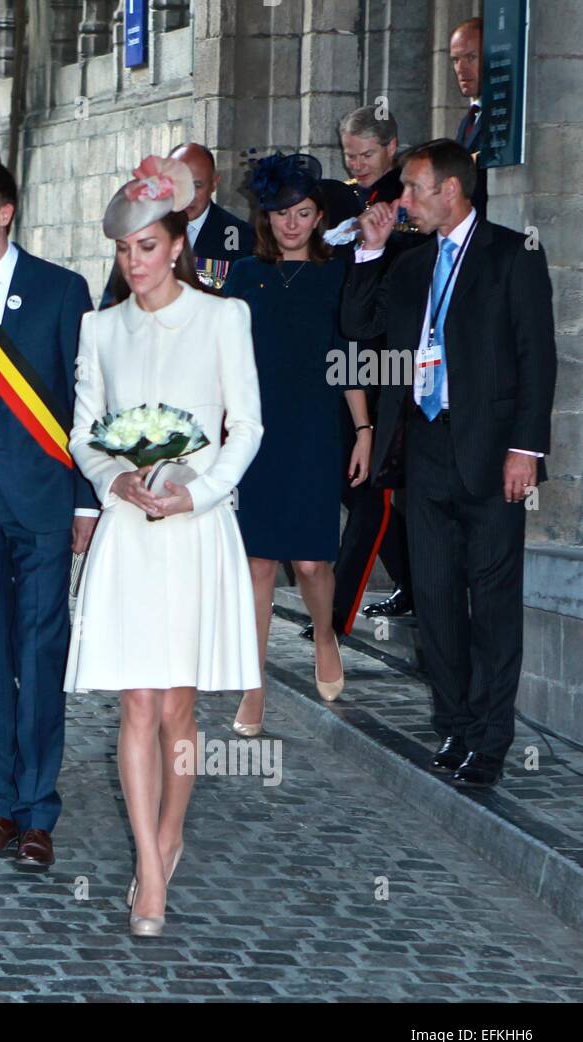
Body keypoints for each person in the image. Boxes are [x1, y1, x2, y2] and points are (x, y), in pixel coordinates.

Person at [65, 155, 263, 936]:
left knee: (179, 706)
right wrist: (116, 481)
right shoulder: (99, 327)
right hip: (128, 532)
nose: (134, 262)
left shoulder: (224, 319)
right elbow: (84, 433)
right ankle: (150, 865)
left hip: (194, 528)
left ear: (176, 245)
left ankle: (171, 830)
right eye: (123, 250)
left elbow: (245, 426)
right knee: (136, 701)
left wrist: (197, 490)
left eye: (147, 246)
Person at [343, 138, 556, 788]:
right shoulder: (409, 263)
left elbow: (536, 357)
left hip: (494, 458)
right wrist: (371, 251)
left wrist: (527, 449)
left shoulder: (511, 254)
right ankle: (458, 725)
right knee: (435, 603)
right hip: (425, 453)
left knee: (491, 604)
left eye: (411, 188)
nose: (400, 200)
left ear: (451, 191)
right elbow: (357, 326)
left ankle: (490, 743)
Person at [0, 154, 95, 868]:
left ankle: (38, 810)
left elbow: (87, 400)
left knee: (40, 653)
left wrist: (89, 499)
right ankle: (0, 804)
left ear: (4, 212)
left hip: (44, 502)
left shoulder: (63, 291)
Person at [223, 153, 374, 736]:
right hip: (255, 432)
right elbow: (223, 355)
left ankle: (326, 633)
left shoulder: (338, 275)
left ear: (318, 218)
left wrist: (363, 431)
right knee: (258, 563)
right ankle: (252, 687)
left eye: (304, 212)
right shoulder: (243, 275)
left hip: (314, 426)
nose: (292, 223)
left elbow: (348, 357)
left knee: (313, 560)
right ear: (266, 216)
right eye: (282, 212)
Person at [305, 105, 421, 636]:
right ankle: (413, 583)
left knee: (371, 488)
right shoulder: (362, 198)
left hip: (393, 359)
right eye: (349, 155)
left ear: (391, 147)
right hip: (359, 355)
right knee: (358, 486)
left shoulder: (408, 195)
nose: (356, 163)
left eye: (365, 155)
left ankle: (336, 614)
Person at [100, 142, 254, 306]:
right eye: (180, 185)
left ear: (214, 183)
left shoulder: (239, 235)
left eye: (197, 185)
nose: (189, 195)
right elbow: (114, 298)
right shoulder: (144, 226)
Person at [449, 17, 487, 218]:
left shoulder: (501, 117)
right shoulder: (469, 120)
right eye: (455, 60)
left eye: (471, 57)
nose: (461, 69)